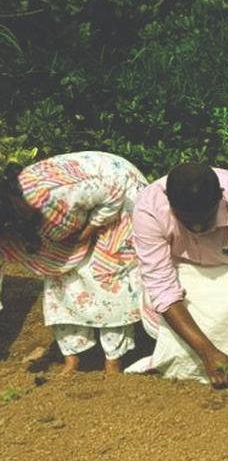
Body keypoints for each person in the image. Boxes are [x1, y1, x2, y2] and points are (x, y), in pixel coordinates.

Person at [126, 163, 228, 405]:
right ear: (169, 202)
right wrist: (206, 351)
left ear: (221, 198)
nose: (199, 228)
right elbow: (162, 286)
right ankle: (187, 375)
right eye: (189, 221)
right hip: (182, 267)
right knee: (163, 301)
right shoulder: (149, 208)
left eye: (205, 218)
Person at [0, 152, 146, 375]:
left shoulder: (53, 193)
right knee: (62, 283)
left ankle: (113, 360)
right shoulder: (13, 213)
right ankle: (72, 358)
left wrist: (88, 232)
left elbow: (112, 194)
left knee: (108, 279)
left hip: (117, 194)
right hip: (82, 211)